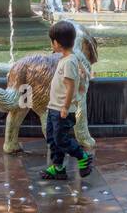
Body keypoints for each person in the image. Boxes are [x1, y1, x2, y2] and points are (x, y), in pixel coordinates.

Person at [40, 19, 93, 182]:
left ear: (57, 43)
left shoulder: (69, 62)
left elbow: (71, 87)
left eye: (52, 42)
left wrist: (65, 107)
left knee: (61, 139)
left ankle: (83, 156)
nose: (51, 45)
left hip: (62, 109)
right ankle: (58, 168)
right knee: (52, 138)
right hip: (53, 107)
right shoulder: (66, 58)